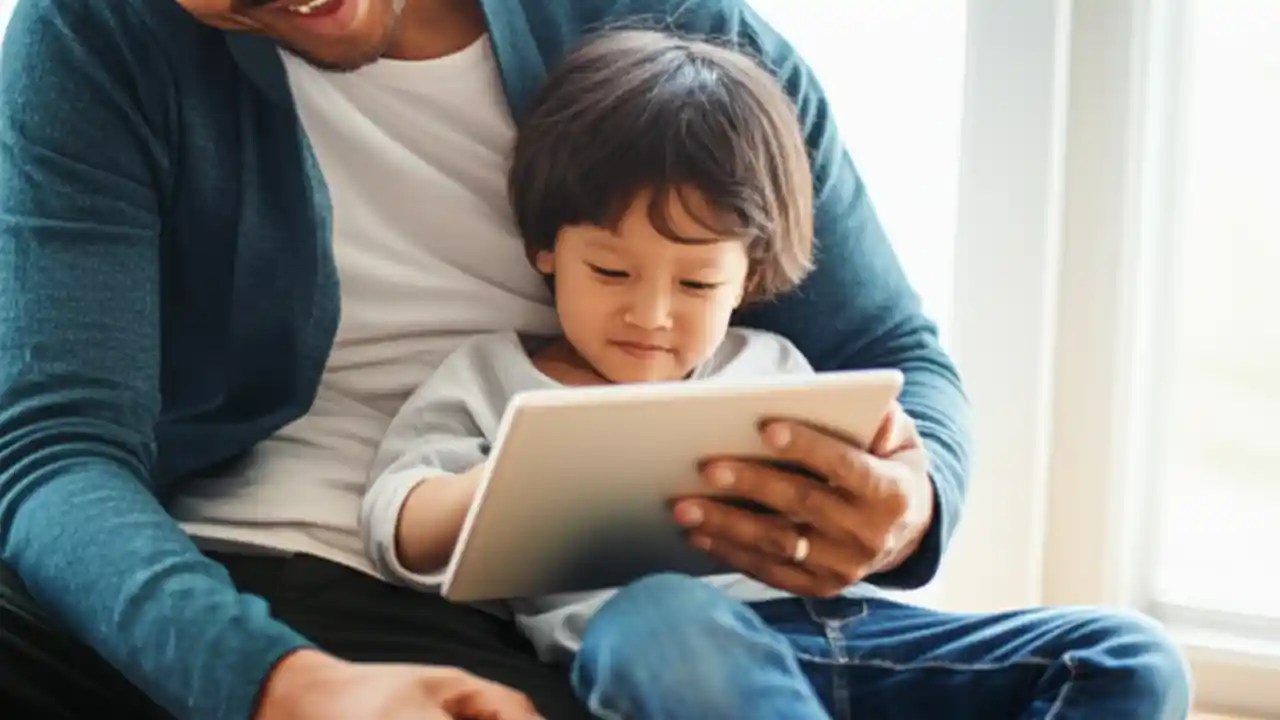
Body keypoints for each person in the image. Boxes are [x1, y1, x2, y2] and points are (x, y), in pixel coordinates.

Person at [0, 1, 1190, 719]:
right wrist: (274, 683)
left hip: (695, 619)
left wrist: (905, 501)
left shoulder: (677, 38)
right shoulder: (99, 36)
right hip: (286, 570)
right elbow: (56, 455)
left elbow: (888, 353)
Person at [364, 28, 1193, 720]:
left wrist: (884, 468)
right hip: (667, 655)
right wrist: (499, 486)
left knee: (1127, 655)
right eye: (611, 273)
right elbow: (395, 519)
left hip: (845, 635)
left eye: (695, 284)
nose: (650, 314)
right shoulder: (489, 377)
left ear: (750, 279)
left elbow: (873, 484)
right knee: (660, 612)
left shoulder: (774, 370)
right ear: (547, 249)